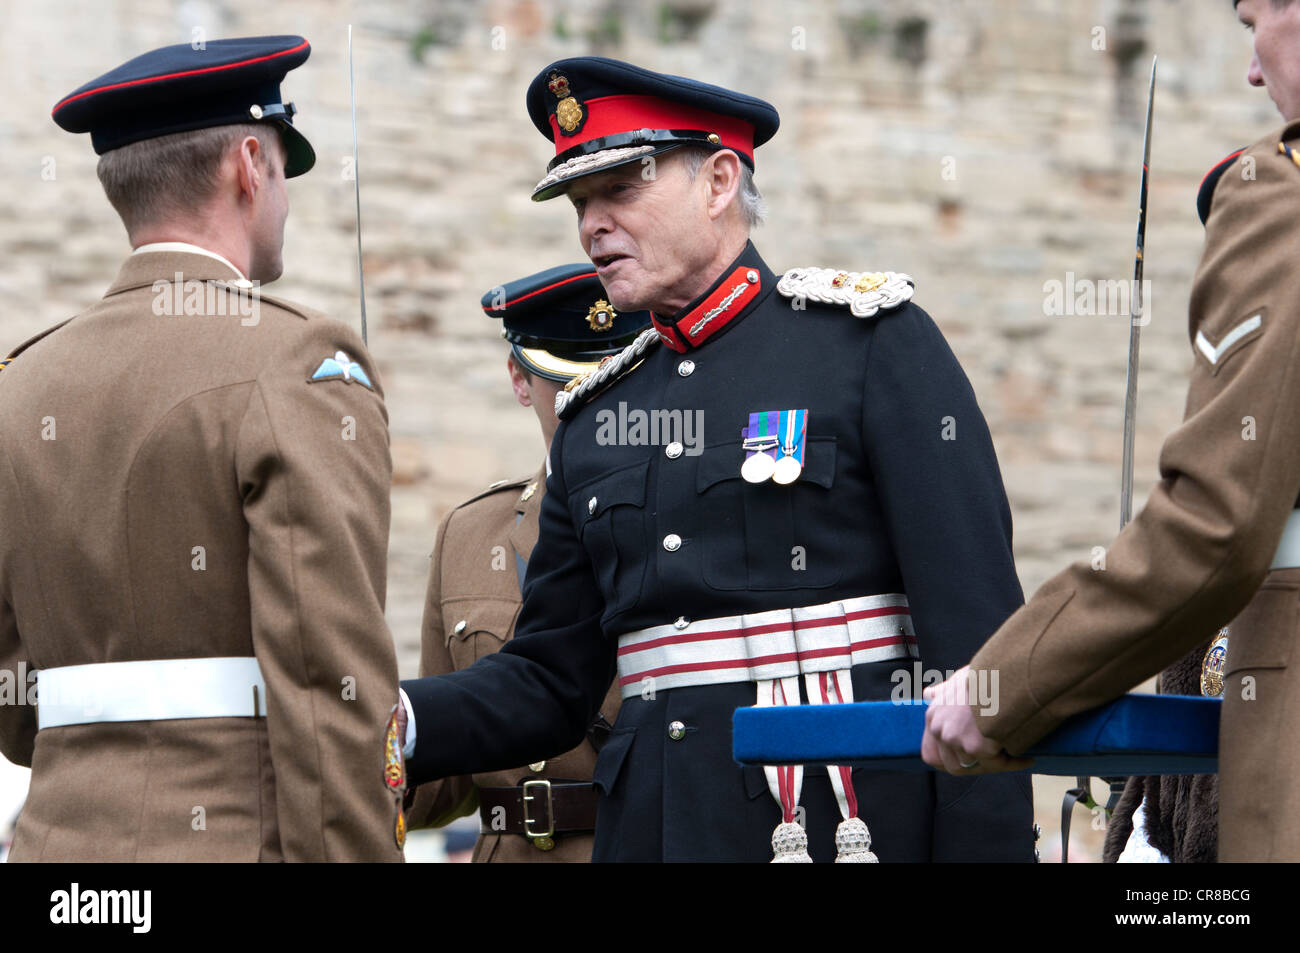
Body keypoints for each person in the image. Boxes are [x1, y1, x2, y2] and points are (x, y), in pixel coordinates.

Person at [398, 56, 1034, 863]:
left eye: (621, 189)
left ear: (720, 180)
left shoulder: (871, 345)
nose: (593, 224)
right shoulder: (599, 415)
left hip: (837, 826)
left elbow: (976, 637)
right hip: (654, 834)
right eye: (581, 202)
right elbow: (551, 681)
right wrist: (392, 714)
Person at [0, 35, 405, 861]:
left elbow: (15, 709)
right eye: (284, 174)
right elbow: (330, 686)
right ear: (249, 166)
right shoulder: (295, 361)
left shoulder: (19, 384)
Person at [922, 0, 1300, 863]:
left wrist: (1003, 686)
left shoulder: (1281, 194)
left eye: (1253, 25)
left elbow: (1215, 526)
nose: (1250, 69)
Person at [404, 265, 651, 861]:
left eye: (621, 378)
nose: (599, 402)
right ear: (519, 379)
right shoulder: (471, 532)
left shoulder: (691, 525)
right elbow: (443, 781)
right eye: (573, 384)